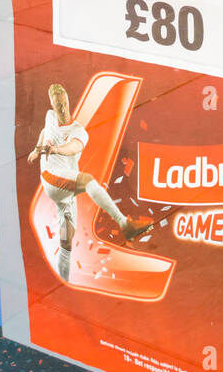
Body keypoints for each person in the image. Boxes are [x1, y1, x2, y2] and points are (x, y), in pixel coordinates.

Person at [28, 82, 149, 282]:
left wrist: (55, 149)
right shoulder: (50, 117)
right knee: (88, 181)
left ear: (68, 101)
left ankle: (63, 277)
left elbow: (73, 148)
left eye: (64, 104)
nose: (62, 109)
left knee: (67, 238)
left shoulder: (79, 131)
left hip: (65, 183)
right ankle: (123, 223)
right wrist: (37, 148)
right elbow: (44, 131)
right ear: (52, 104)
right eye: (58, 105)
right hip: (51, 176)